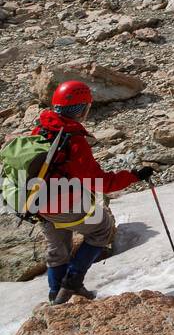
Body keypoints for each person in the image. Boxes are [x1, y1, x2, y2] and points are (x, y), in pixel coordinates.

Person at [30, 81, 152, 304]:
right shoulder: (73, 140)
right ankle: (72, 284)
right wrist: (134, 176)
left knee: (58, 248)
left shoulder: (41, 128)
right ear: (81, 108)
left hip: (34, 200)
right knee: (102, 229)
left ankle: (56, 297)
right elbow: (99, 182)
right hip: (61, 200)